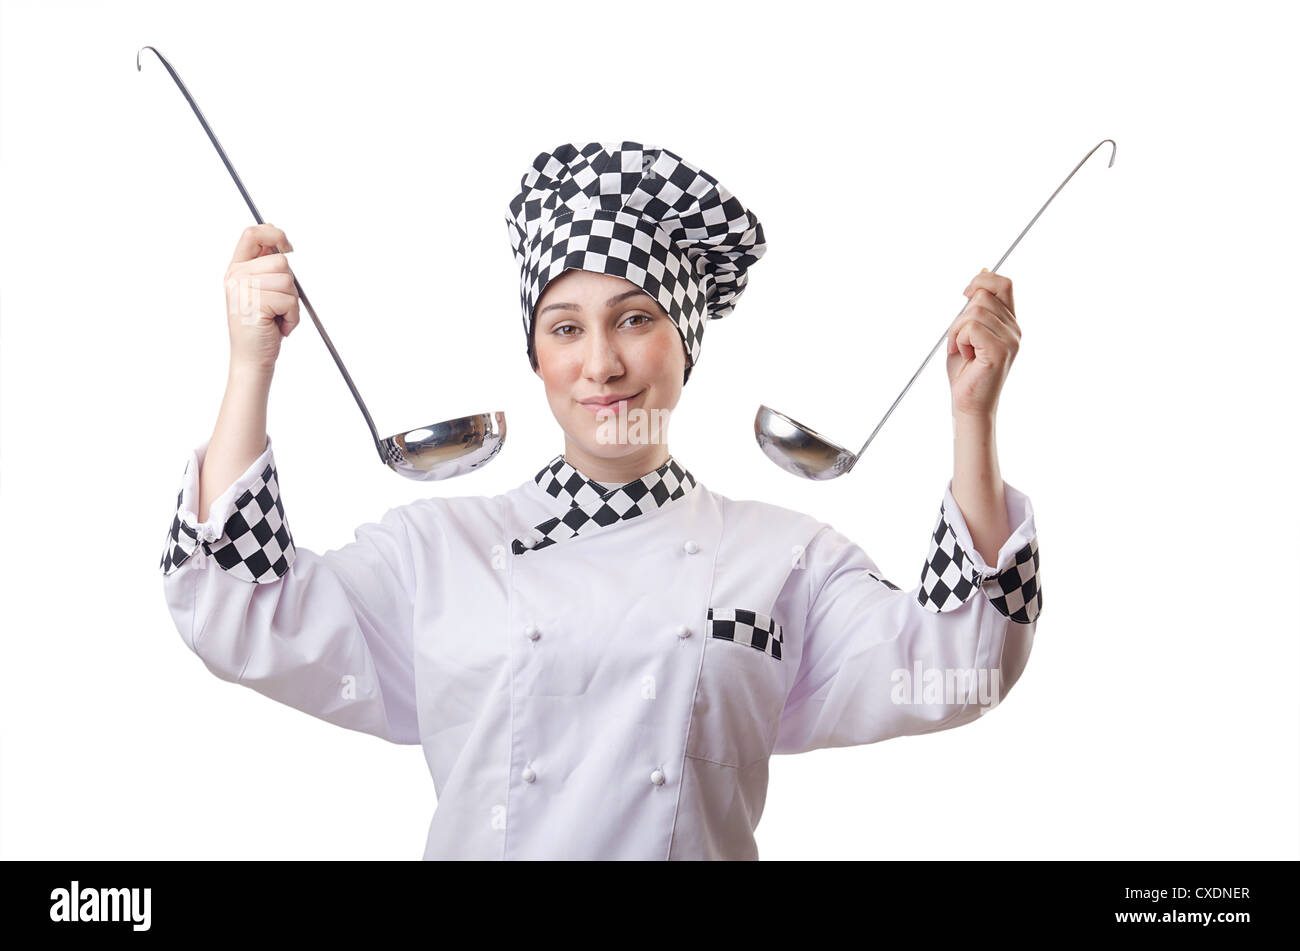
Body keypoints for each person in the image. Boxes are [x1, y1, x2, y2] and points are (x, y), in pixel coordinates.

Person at [159, 142, 1042, 860]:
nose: (602, 366)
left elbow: (964, 661)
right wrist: (251, 366)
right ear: (536, 356)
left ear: (685, 341)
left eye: (635, 318)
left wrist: (973, 416)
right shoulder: (438, 549)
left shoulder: (787, 559)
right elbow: (240, 611)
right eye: (566, 328)